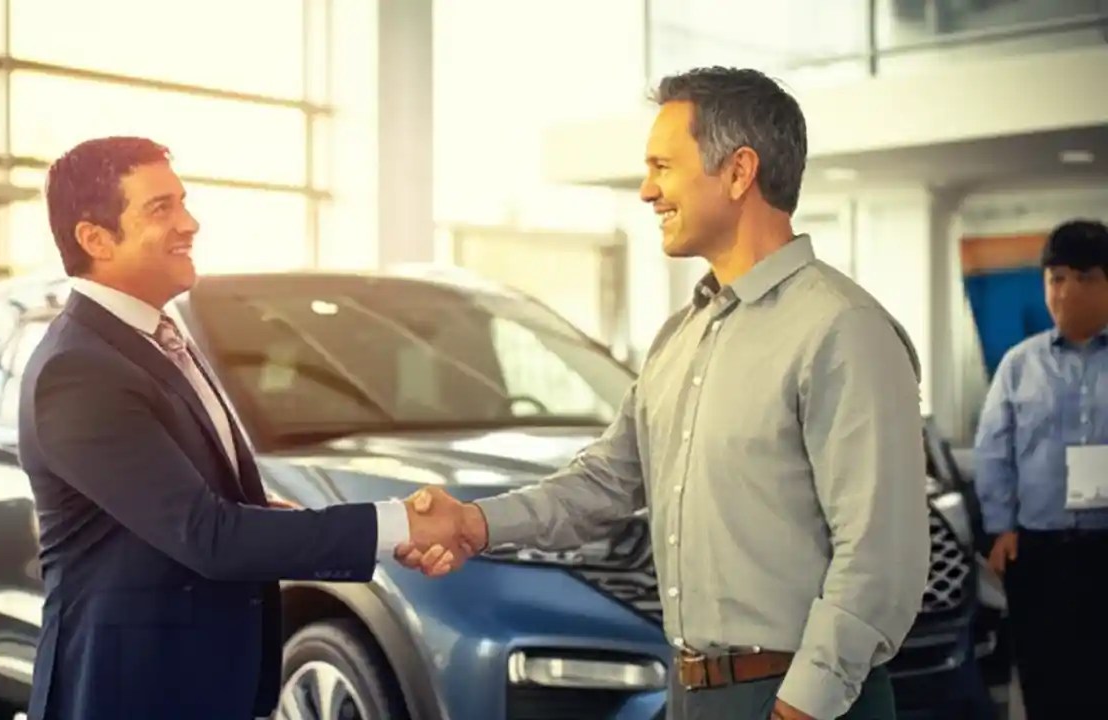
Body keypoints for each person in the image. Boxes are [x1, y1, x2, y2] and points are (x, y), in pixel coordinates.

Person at [396, 67, 930, 720]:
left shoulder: (843, 329)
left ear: (738, 172)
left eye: (662, 167)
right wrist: (475, 523)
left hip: (803, 701)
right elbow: (604, 484)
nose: (648, 191)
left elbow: (880, 559)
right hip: (692, 693)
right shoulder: (682, 338)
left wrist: (800, 708)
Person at [17, 137, 456, 720]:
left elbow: (210, 506)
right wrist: (397, 522)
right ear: (95, 239)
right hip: (130, 695)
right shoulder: (79, 371)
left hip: (195, 687)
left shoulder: (155, 338)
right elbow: (210, 536)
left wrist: (374, 535)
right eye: (161, 209)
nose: (189, 223)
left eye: (182, 202)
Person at [973, 218, 1108, 720]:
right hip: (1040, 550)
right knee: (1046, 676)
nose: (1068, 290)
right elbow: (994, 452)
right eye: (1056, 278)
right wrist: (1000, 527)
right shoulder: (1018, 366)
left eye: (1085, 277)